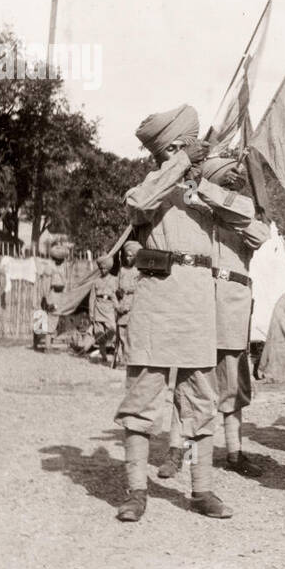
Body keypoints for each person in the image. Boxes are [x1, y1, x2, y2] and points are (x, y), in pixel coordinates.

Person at [113, 103, 255, 522]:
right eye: (183, 146)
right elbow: (138, 203)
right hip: (157, 300)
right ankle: (136, 491)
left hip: (197, 303)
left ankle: (202, 489)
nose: (194, 151)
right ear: (171, 148)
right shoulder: (153, 185)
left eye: (193, 146)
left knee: (200, 401)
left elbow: (246, 214)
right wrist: (178, 166)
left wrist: (203, 184)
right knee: (141, 401)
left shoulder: (204, 191)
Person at [199, 153, 271, 479]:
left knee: (232, 385)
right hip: (199, 301)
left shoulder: (246, 217)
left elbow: (259, 236)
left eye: (236, 179)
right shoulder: (198, 215)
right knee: (192, 382)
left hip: (230, 304)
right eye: (226, 178)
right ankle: (183, 453)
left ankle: (234, 453)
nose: (233, 182)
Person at [113, 239, 141, 369]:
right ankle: (122, 360)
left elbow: (140, 289)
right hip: (122, 305)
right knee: (122, 335)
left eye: (131, 256)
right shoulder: (122, 271)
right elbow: (116, 288)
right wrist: (119, 298)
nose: (128, 258)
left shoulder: (139, 272)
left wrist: (129, 290)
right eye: (127, 255)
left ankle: (130, 360)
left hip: (133, 305)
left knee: (132, 335)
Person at [89, 254, 119, 365]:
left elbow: (117, 296)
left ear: (109, 268)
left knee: (112, 330)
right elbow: (92, 298)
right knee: (99, 334)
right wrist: (91, 312)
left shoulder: (114, 280)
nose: (102, 270)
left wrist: (117, 308)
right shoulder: (96, 282)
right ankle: (103, 356)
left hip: (109, 308)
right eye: (101, 268)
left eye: (105, 268)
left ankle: (112, 350)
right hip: (98, 308)